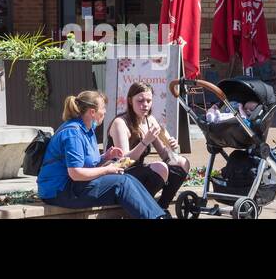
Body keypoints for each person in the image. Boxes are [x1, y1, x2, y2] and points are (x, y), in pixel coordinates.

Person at [36, 89, 168, 219]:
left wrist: (105, 157)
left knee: (128, 180)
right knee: (122, 183)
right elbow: (75, 173)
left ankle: (159, 216)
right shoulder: (73, 133)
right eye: (103, 108)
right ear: (92, 112)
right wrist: (107, 169)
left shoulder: (87, 128)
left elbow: (86, 164)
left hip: (74, 186)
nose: (105, 111)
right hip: (59, 192)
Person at [105, 81, 190, 210]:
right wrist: (144, 141)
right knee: (160, 168)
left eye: (149, 101)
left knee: (181, 162)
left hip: (138, 173)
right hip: (120, 175)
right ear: (130, 101)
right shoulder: (120, 123)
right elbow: (123, 162)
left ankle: (162, 207)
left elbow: (165, 155)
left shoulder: (150, 120)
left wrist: (171, 147)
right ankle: (144, 209)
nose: (145, 105)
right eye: (140, 101)